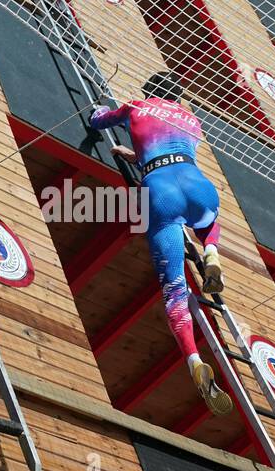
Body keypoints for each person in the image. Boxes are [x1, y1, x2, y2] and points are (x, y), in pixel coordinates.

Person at [91, 72, 231, 415]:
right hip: (197, 185)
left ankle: (194, 359)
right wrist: (135, 155)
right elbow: (169, 146)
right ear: (179, 98)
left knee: (173, 289)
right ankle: (211, 253)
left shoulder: (137, 105)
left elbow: (100, 121)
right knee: (209, 219)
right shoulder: (192, 121)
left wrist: (99, 112)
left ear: (148, 91)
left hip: (159, 188)